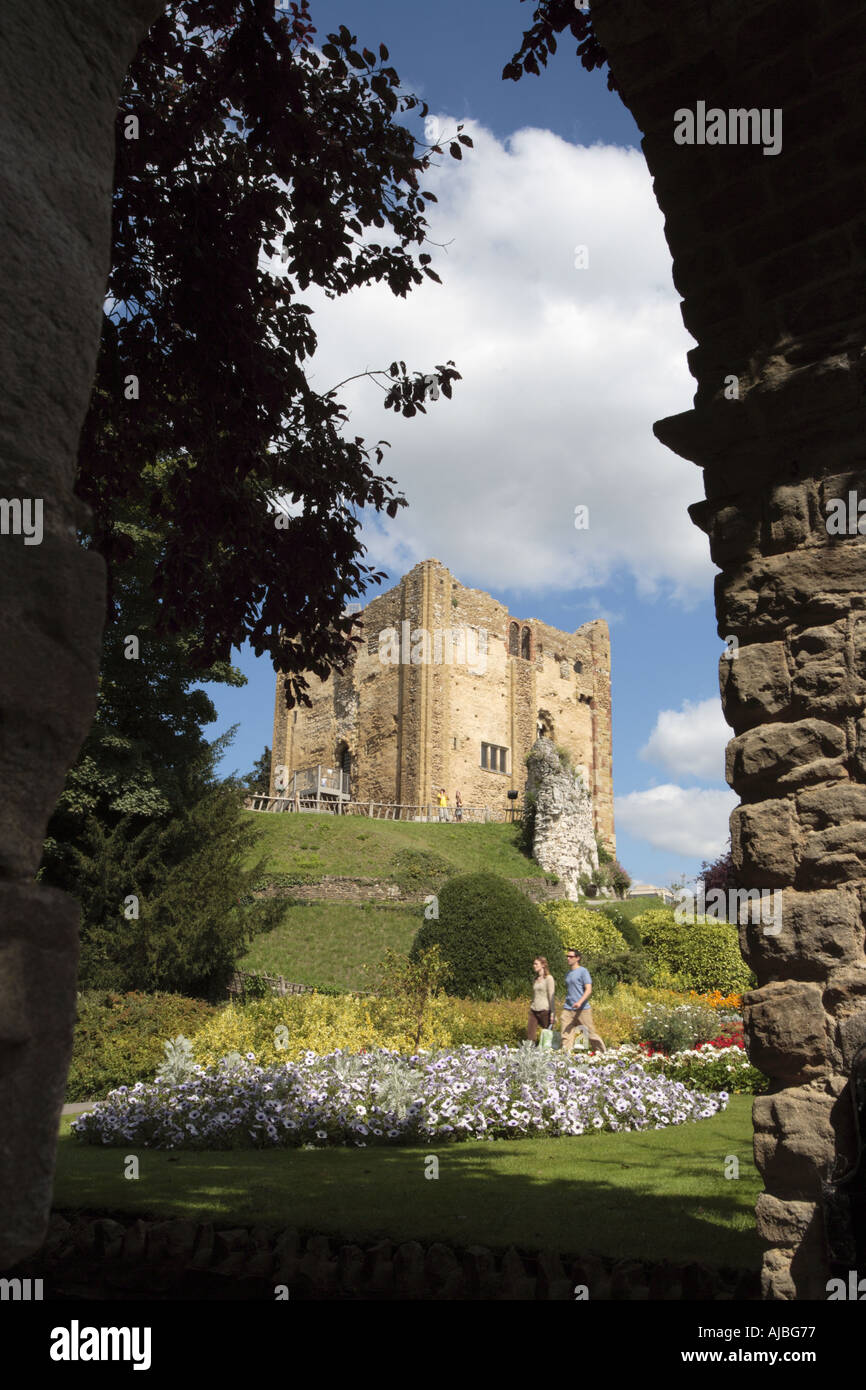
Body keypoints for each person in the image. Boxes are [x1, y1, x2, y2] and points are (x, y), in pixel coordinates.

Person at [560, 949, 605, 1053]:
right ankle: (566, 1057)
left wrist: (579, 1002)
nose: (568, 958)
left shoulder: (583, 971)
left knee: (590, 1033)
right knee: (565, 1034)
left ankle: (602, 1054)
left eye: (571, 956)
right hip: (568, 1008)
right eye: (567, 956)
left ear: (577, 958)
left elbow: (588, 990)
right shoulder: (568, 973)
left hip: (582, 1009)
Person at [527, 956, 555, 1043]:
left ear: (543, 965)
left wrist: (553, 1013)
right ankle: (529, 1052)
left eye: (536, 964)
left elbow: (551, 996)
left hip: (544, 1010)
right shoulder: (535, 979)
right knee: (530, 1034)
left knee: (548, 1034)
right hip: (534, 1009)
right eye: (533, 964)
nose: (534, 966)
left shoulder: (549, 979)